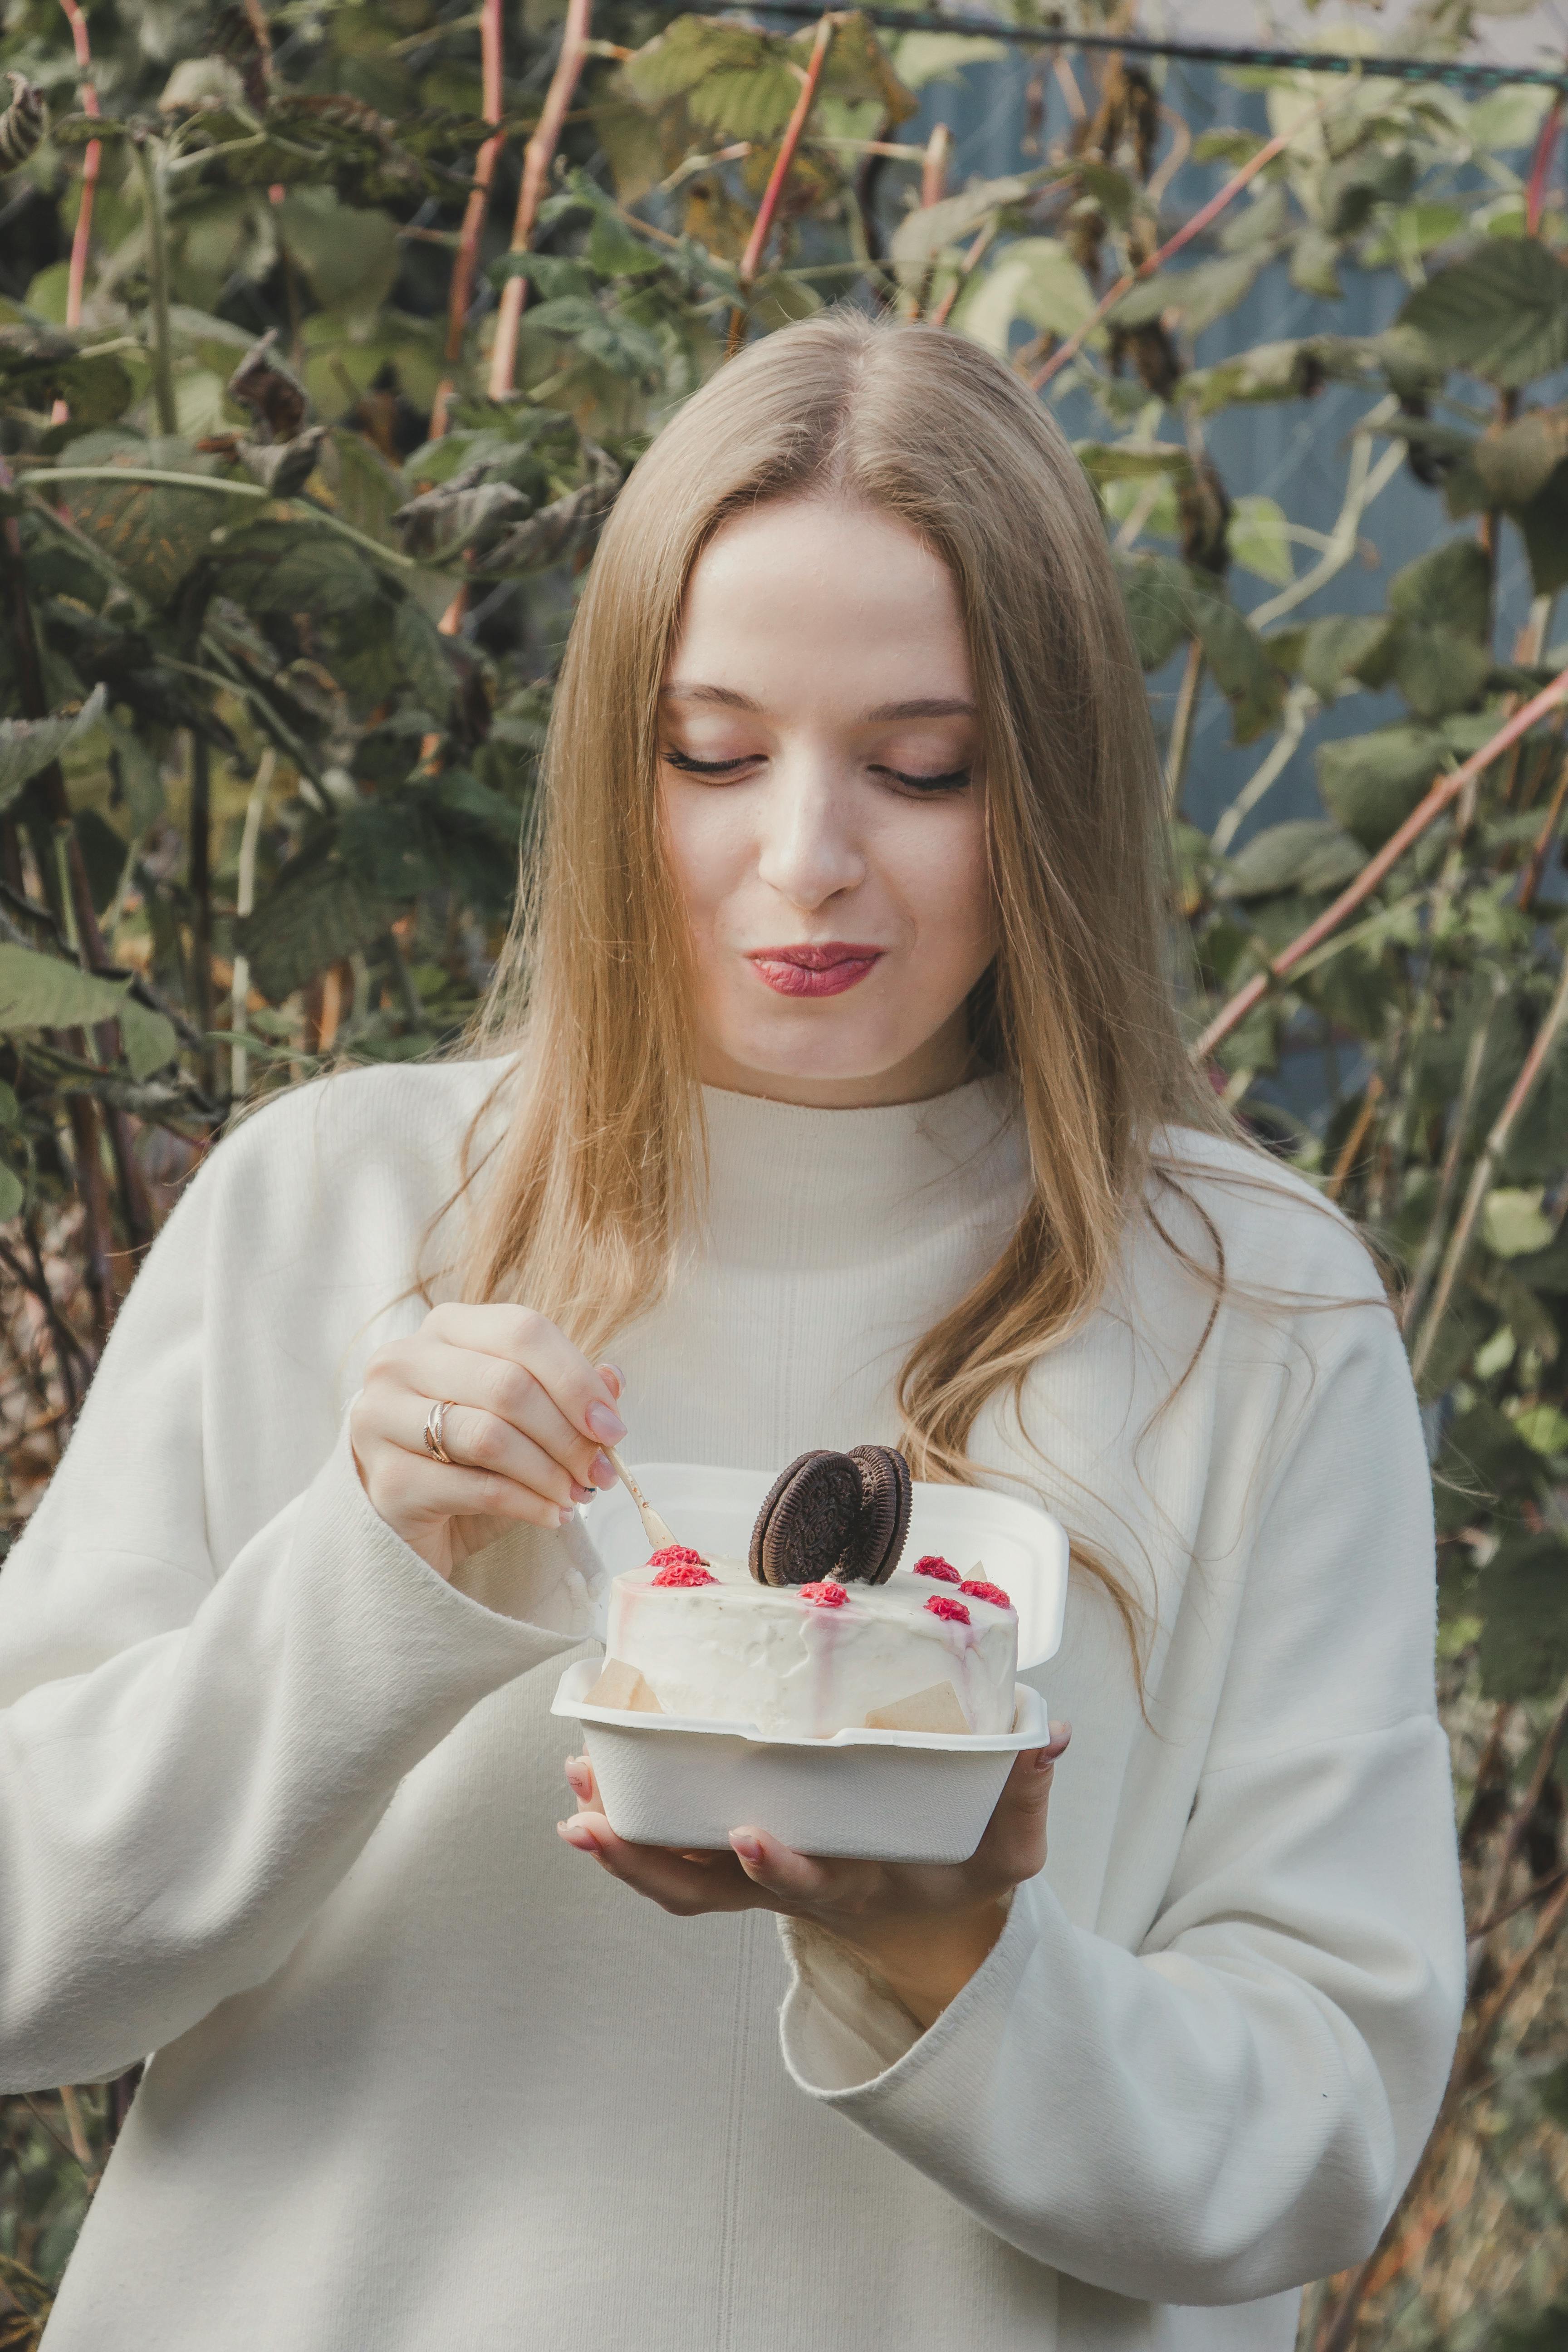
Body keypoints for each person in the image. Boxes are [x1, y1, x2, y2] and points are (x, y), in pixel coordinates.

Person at [0, 313, 1463, 2352]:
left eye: (923, 766)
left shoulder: (1251, 1309)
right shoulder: (335, 1212)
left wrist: (962, 1962)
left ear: (1049, 784)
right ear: (617, 762)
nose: (806, 858)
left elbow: (1323, 2140)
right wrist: (357, 1583)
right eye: (712, 754)